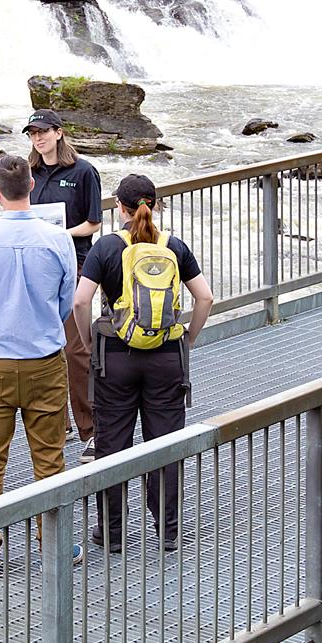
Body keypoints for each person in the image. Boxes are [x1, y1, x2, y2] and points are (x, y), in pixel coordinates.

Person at [74, 174, 214, 554]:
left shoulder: (106, 247)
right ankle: (167, 530)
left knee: (112, 445)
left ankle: (111, 532)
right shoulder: (175, 247)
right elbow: (205, 298)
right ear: (156, 204)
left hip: (115, 357)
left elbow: (81, 302)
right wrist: (187, 340)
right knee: (164, 445)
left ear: (119, 207)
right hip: (167, 358)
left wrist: (91, 343)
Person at [0, 153, 82, 577]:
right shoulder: (58, 239)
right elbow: (66, 300)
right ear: (31, 186)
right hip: (45, 359)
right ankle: (55, 545)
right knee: (49, 458)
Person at [24, 108, 102, 458]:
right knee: (44, 345)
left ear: (58, 132)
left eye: (42, 132)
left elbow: (94, 223)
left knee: (76, 348)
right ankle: (59, 421)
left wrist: (58, 236)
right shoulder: (29, 173)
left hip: (76, 263)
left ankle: (91, 429)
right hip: (38, 266)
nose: (37, 139)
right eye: (32, 134)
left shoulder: (84, 171)